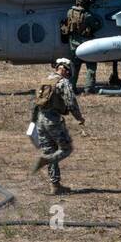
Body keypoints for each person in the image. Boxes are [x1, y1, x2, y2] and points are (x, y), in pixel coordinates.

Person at [31, 58, 86, 194]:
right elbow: (71, 102)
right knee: (66, 149)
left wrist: (33, 122)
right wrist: (79, 118)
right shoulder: (63, 82)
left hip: (40, 121)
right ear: (66, 69)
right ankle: (46, 161)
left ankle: (55, 186)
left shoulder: (45, 80)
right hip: (53, 121)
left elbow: (36, 103)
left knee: (51, 150)